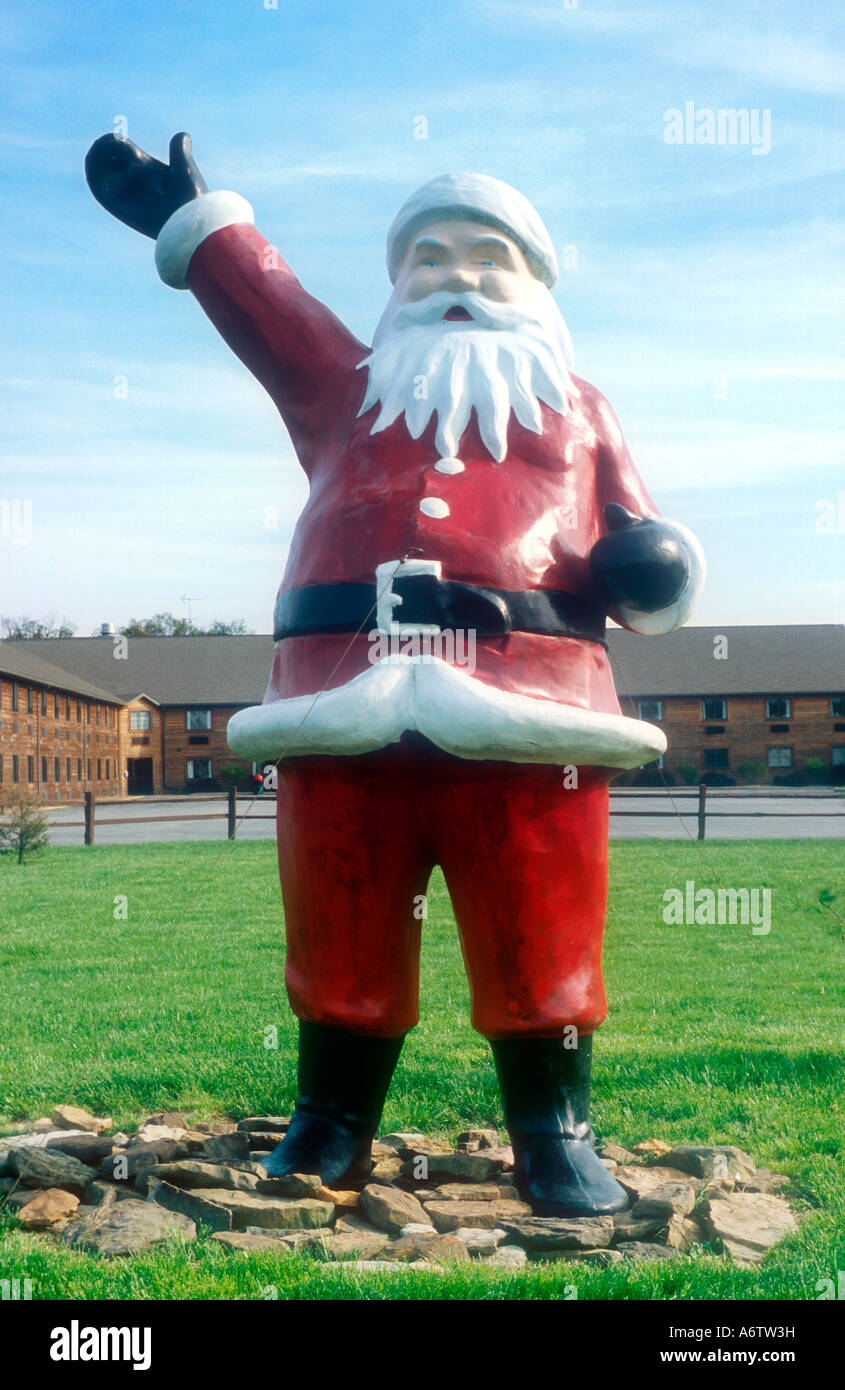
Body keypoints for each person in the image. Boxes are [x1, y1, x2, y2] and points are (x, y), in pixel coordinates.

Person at [86, 134, 704, 1216]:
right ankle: (329, 1124)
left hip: (532, 716)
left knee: (540, 926)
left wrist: (651, 565)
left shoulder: (580, 409)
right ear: (394, 283)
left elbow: (646, 551)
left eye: (486, 256)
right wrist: (201, 217)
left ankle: (553, 1130)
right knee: (340, 921)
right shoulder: (344, 390)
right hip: (342, 706)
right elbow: (270, 310)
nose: (455, 277)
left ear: (535, 283)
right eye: (426, 257)